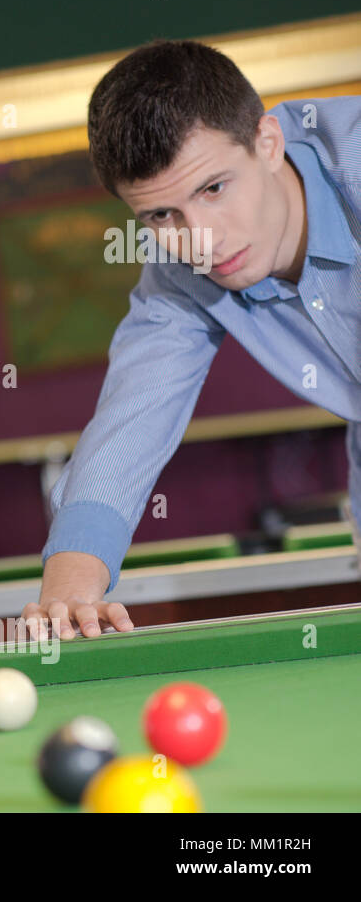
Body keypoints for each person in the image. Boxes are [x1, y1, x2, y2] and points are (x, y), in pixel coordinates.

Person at [26, 39, 361, 639]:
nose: (198, 240)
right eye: (160, 215)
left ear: (267, 141)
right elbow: (134, 415)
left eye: (213, 189)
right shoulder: (179, 273)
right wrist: (70, 587)